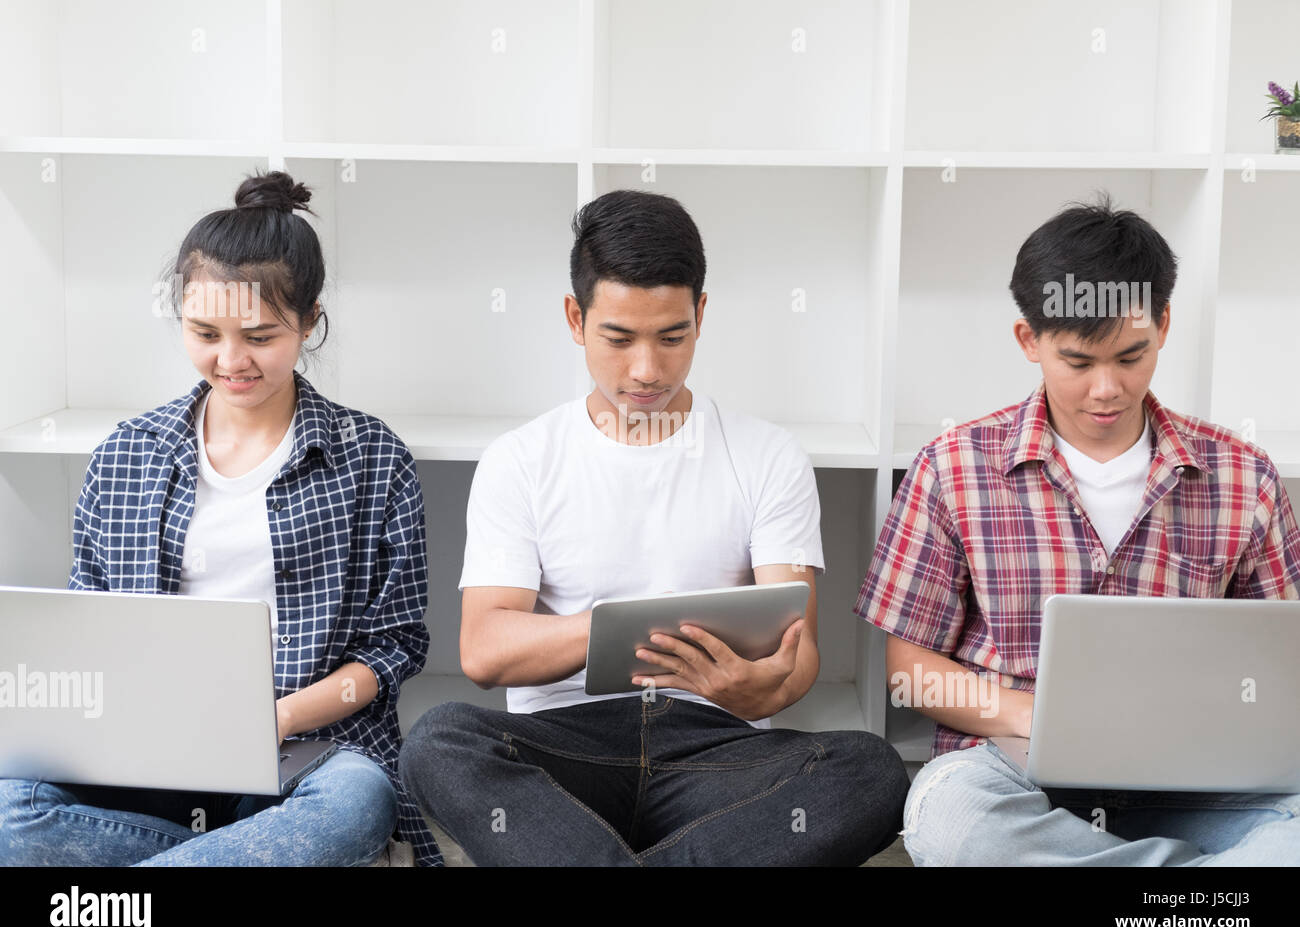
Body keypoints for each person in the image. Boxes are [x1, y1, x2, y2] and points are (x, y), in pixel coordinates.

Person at [399, 189, 908, 866]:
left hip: (720, 750)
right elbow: (486, 653)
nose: (647, 369)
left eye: (673, 337)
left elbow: (798, 655)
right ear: (575, 319)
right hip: (563, 748)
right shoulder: (520, 460)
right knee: (440, 742)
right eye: (619, 337)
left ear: (701, 314)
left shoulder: (766, 455)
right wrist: (617, 628)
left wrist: (760, 689)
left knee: (871, 768)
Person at [0, 171, 439, 867]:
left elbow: (393, 651)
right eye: (205, 332)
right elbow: (89, 630)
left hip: (311, 745)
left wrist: (280, 717)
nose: (231, 361)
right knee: (9, 813)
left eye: (260, 336)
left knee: (355, 809)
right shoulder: (126, 454)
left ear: (309, 321)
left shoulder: (371, 457)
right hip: (152, 742)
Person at [854, 195, 1300, 865]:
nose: (1106, 390)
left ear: (1164, 325)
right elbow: (908, 675)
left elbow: (1279, 667)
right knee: (954, 825)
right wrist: (1029, 717)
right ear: (1028, 340)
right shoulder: (953, 467)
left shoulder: (1244, 476)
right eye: (1079, 362)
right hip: (1011, 767)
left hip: (1194, 778)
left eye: (1131, 356)